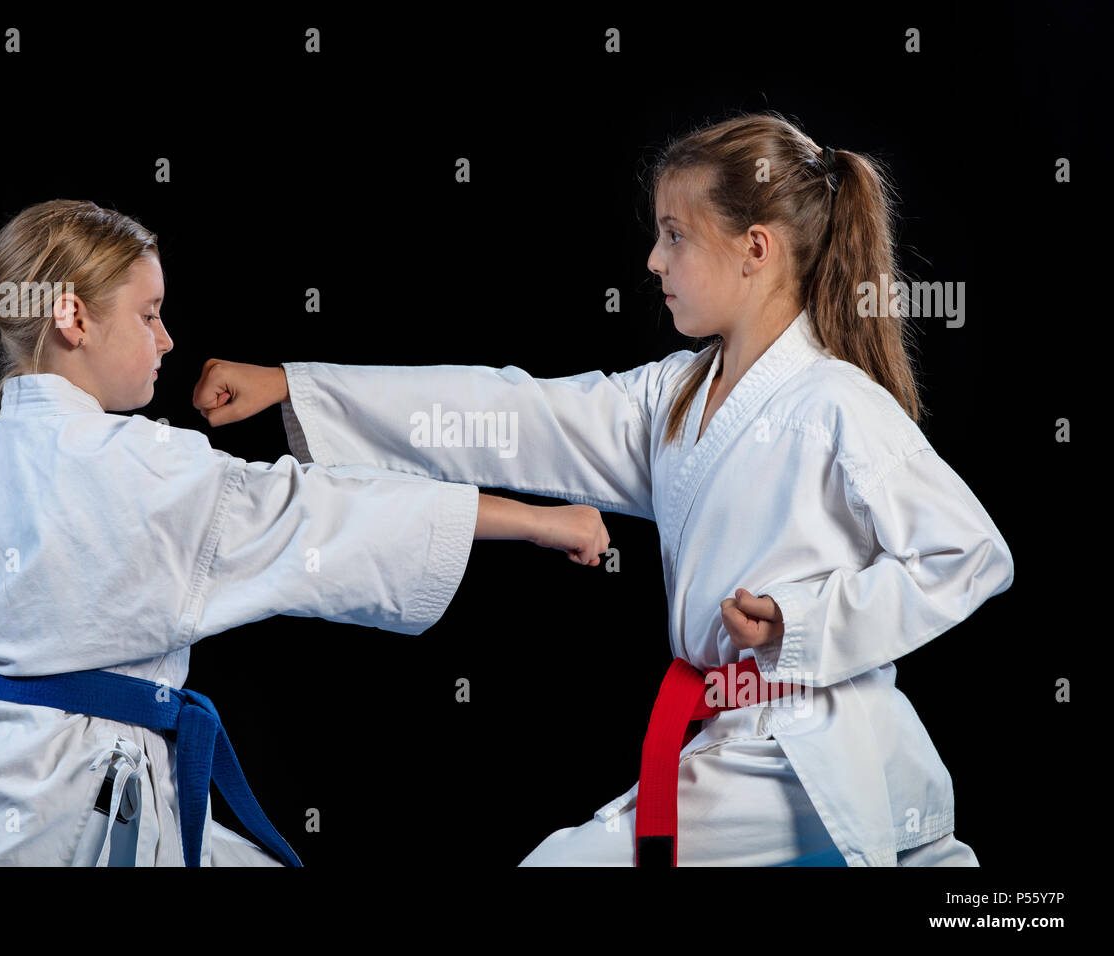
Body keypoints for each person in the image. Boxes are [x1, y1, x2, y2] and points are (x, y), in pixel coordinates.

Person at [191, 112, 1014, 866]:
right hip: (733, 744)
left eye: (675, 235)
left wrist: (803, 623)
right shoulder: (678, 396)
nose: (654, 260)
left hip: (800, 747)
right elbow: (507, 413)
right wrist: (297, 386)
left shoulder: (837, 403)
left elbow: (970, 556)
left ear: (754, 249)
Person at [0, 199, 609, 866]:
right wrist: (538, 520)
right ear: (74, 319)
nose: (168, 338)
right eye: (148, 313)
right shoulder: (131, 464)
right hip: (72, 822)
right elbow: (316, 513)